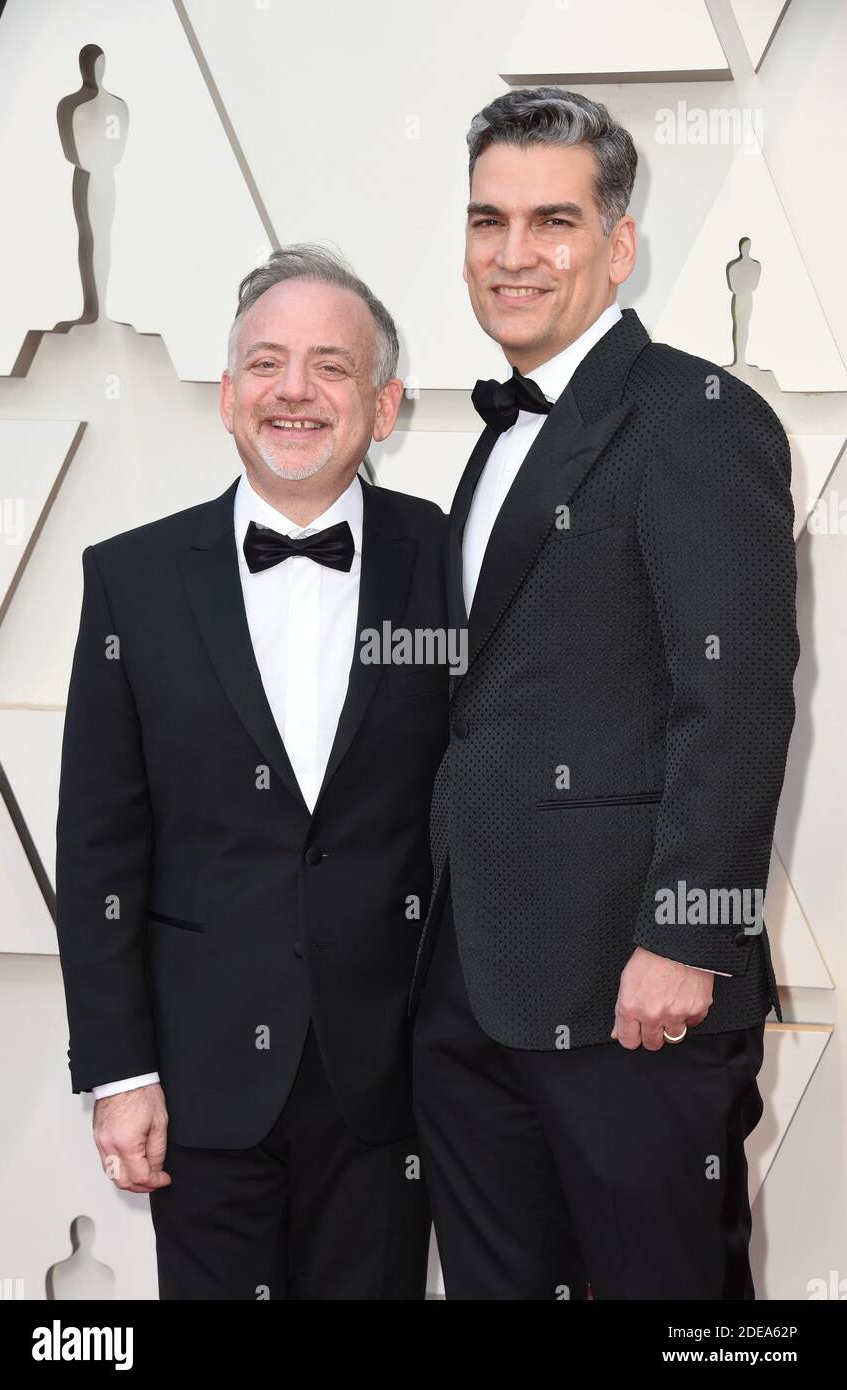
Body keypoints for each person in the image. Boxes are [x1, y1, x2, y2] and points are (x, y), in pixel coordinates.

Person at [410, 87, 799, 1300]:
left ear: (617, 245)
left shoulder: (696, 416)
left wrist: (686, 932)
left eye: (552, 222)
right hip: (473, 987)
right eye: (487, 221)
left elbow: (735, 694)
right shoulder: (495, 437)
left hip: (634, 994)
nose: (512, 255)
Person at [55, 244, 449, 1300]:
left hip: (396, 1082)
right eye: (267, 363)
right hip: (199, 1079)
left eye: (330, 366)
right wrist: (120, 1071)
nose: (294, 391)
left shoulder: (454, 566)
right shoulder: (129, 580)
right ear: (229, 397)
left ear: (384, 402)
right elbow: (98, 842)